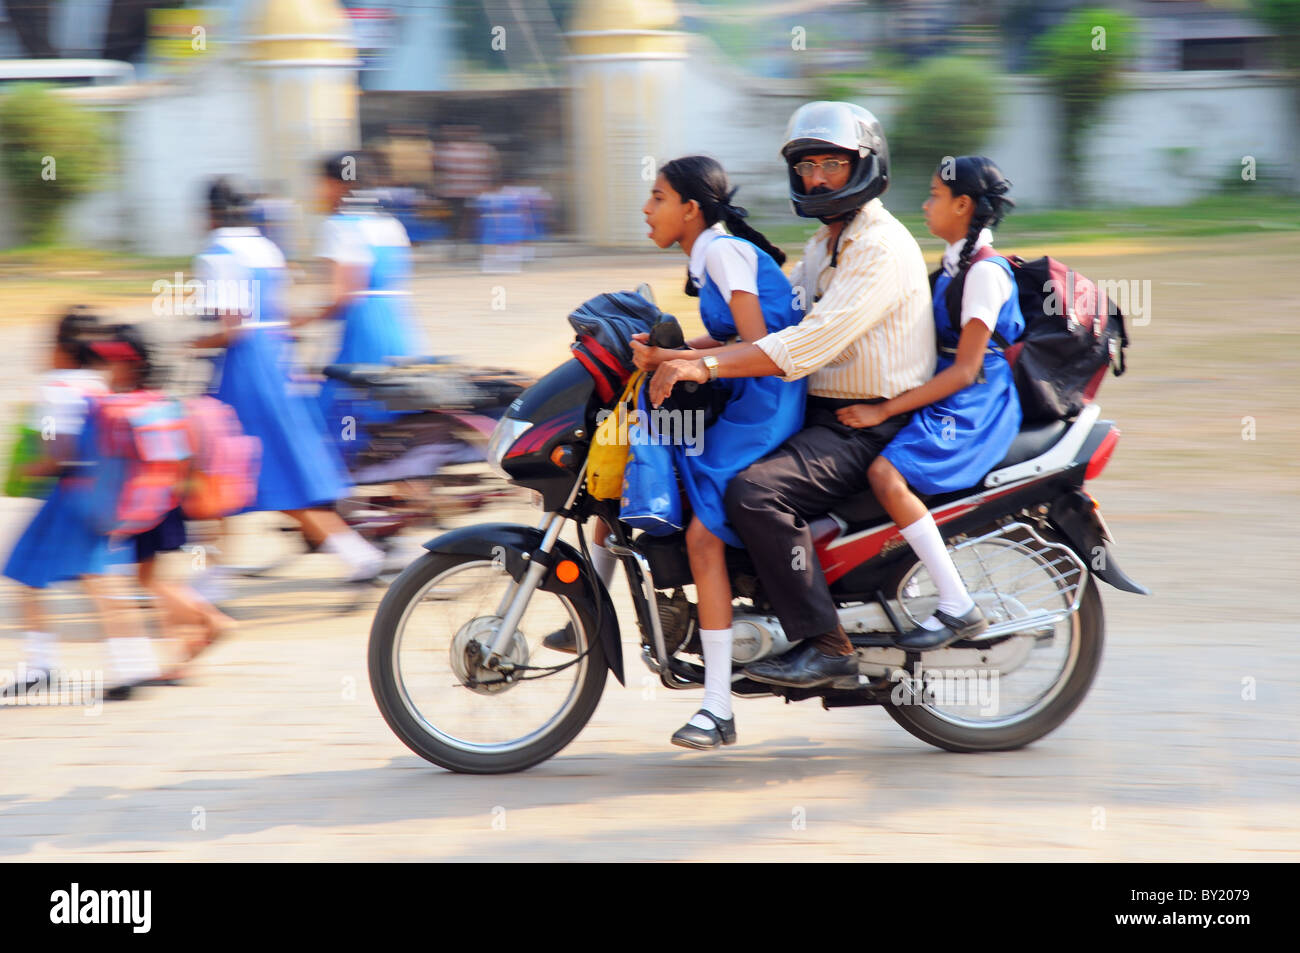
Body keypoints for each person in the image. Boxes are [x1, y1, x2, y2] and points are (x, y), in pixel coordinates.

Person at [646, 101, 936, 689]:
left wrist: (700, 367)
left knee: (752, 493)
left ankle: (828, 645)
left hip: (865, 421)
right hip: (825, 412)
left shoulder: (877, 246)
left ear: (865, 165)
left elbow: (806, 345)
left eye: (831, 163)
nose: (816, 178)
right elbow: (773, 333)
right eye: (806, 167)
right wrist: (678, 355)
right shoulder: (825, 246)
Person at [631, 156, 807, 749]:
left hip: (767, 399)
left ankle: (717, 705)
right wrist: (664, 358)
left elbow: (759, 345)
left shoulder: (721, 252)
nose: (647, 209)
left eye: (657, 197)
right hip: (750, 387)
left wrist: (689, 364)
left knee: (703, 531)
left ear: (691, 208)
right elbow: (733, 337)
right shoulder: (713, 253)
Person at [840, 157, 1024, 649]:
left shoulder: (984, 273)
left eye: (934, 196)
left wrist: (884, 409)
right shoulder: (952, 264)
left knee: (884, 474)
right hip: (953, 388)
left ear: (963, 205)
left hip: (975, 400)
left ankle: (958, 605)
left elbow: (966, 369)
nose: (925, 205)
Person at [193, 178, 385, 583]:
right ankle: (355, 553)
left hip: (243, 370)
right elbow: (275, 315)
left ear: (209, 214)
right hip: (276, 362)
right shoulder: (267, 249)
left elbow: (233, 327)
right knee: (269, 470)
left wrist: (192, 343)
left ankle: (213, 580)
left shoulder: (214, 255)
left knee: (224, 467)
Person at [1, 309, 162, 698]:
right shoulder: (99, 385)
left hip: (69, 497)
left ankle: (56, 666)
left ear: (60, 349)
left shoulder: (53, 390)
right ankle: (134, 665)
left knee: (32, 572)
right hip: (105, 494)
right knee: (96, 579)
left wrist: (29, 470)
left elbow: (55, 454)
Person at [299, 153, 422, 458]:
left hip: (364, 332)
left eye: (321, 184)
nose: (318, 192)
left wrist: (297, 321)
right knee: (389, 417)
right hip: (400, 327)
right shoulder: (390, 224)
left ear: (338, 186)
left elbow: (344, 295)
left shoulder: (338, 227)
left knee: (335, 413)